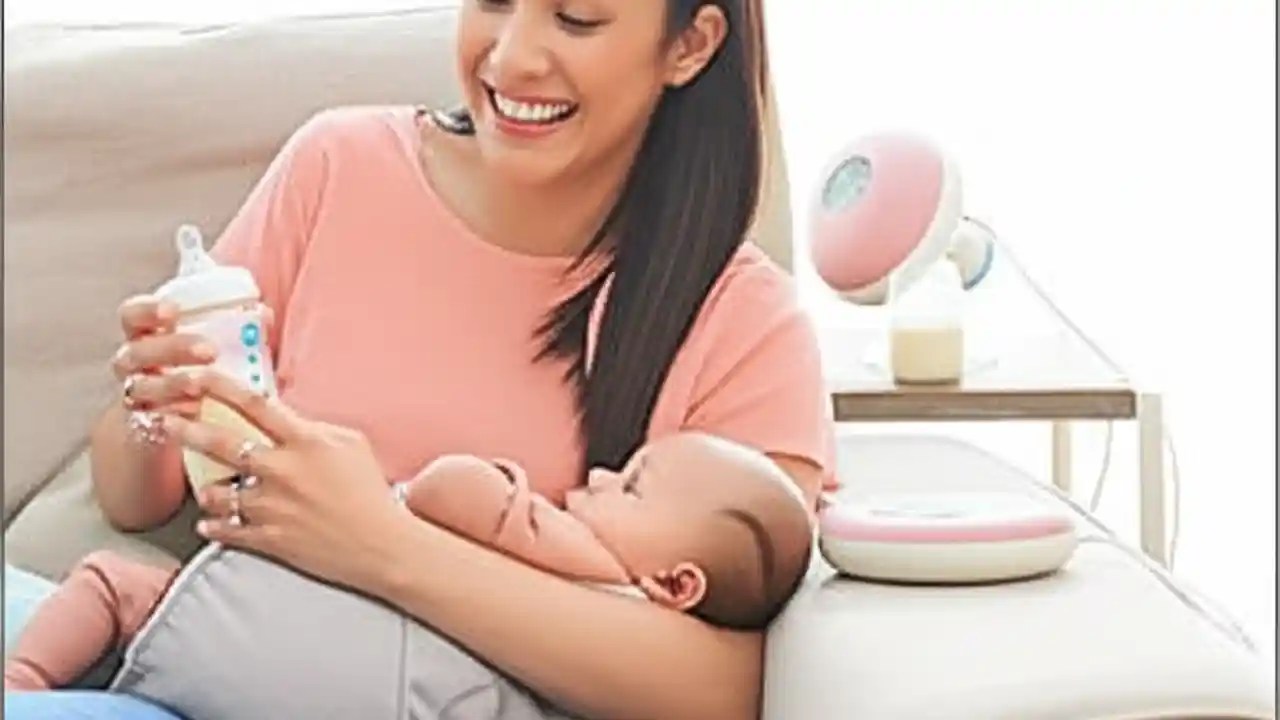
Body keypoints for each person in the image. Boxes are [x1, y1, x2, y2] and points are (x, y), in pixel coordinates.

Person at [9, 0, 835, 717]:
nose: (512, 57)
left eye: (577, 18)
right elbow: (132, 499)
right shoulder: (339, 165)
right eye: (493, 3)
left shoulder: (742, 322)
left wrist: (380, 544)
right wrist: (158, 399)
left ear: (690, 44)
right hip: (194, 657)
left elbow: (737, 691)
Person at [5, 432, 814, 693]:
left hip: (250, 626)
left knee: (111, 586)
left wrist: (492, 488)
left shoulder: (594, 574)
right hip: (275, 623)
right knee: (108, 589)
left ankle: (26, 682)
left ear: (676, 584)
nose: (598, 478)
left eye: (630, 485)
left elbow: (449, 493)